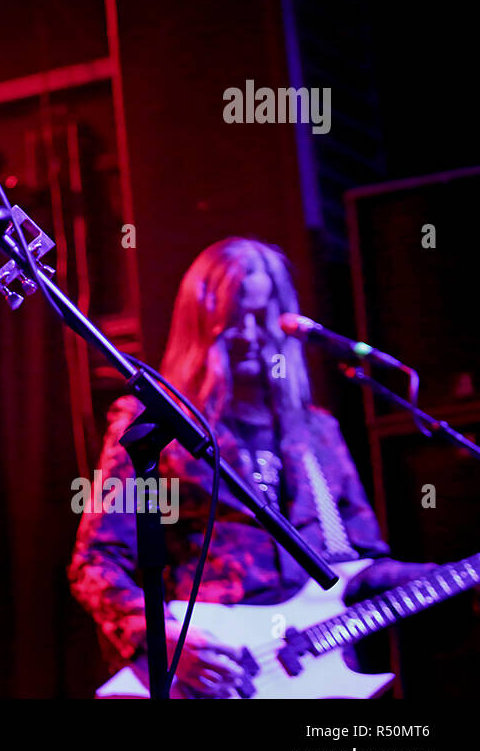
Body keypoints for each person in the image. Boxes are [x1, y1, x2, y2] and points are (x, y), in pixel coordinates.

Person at [68, 237, 433, 697]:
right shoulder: (158, 428)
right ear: (200, 323)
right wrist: (168, 642)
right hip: (216, 672)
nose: (249, 334)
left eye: (263, 317)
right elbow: (97, 562)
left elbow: (362, 565)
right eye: (232, 318)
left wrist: (457, 575)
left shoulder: (318, 433)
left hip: (318, 673)